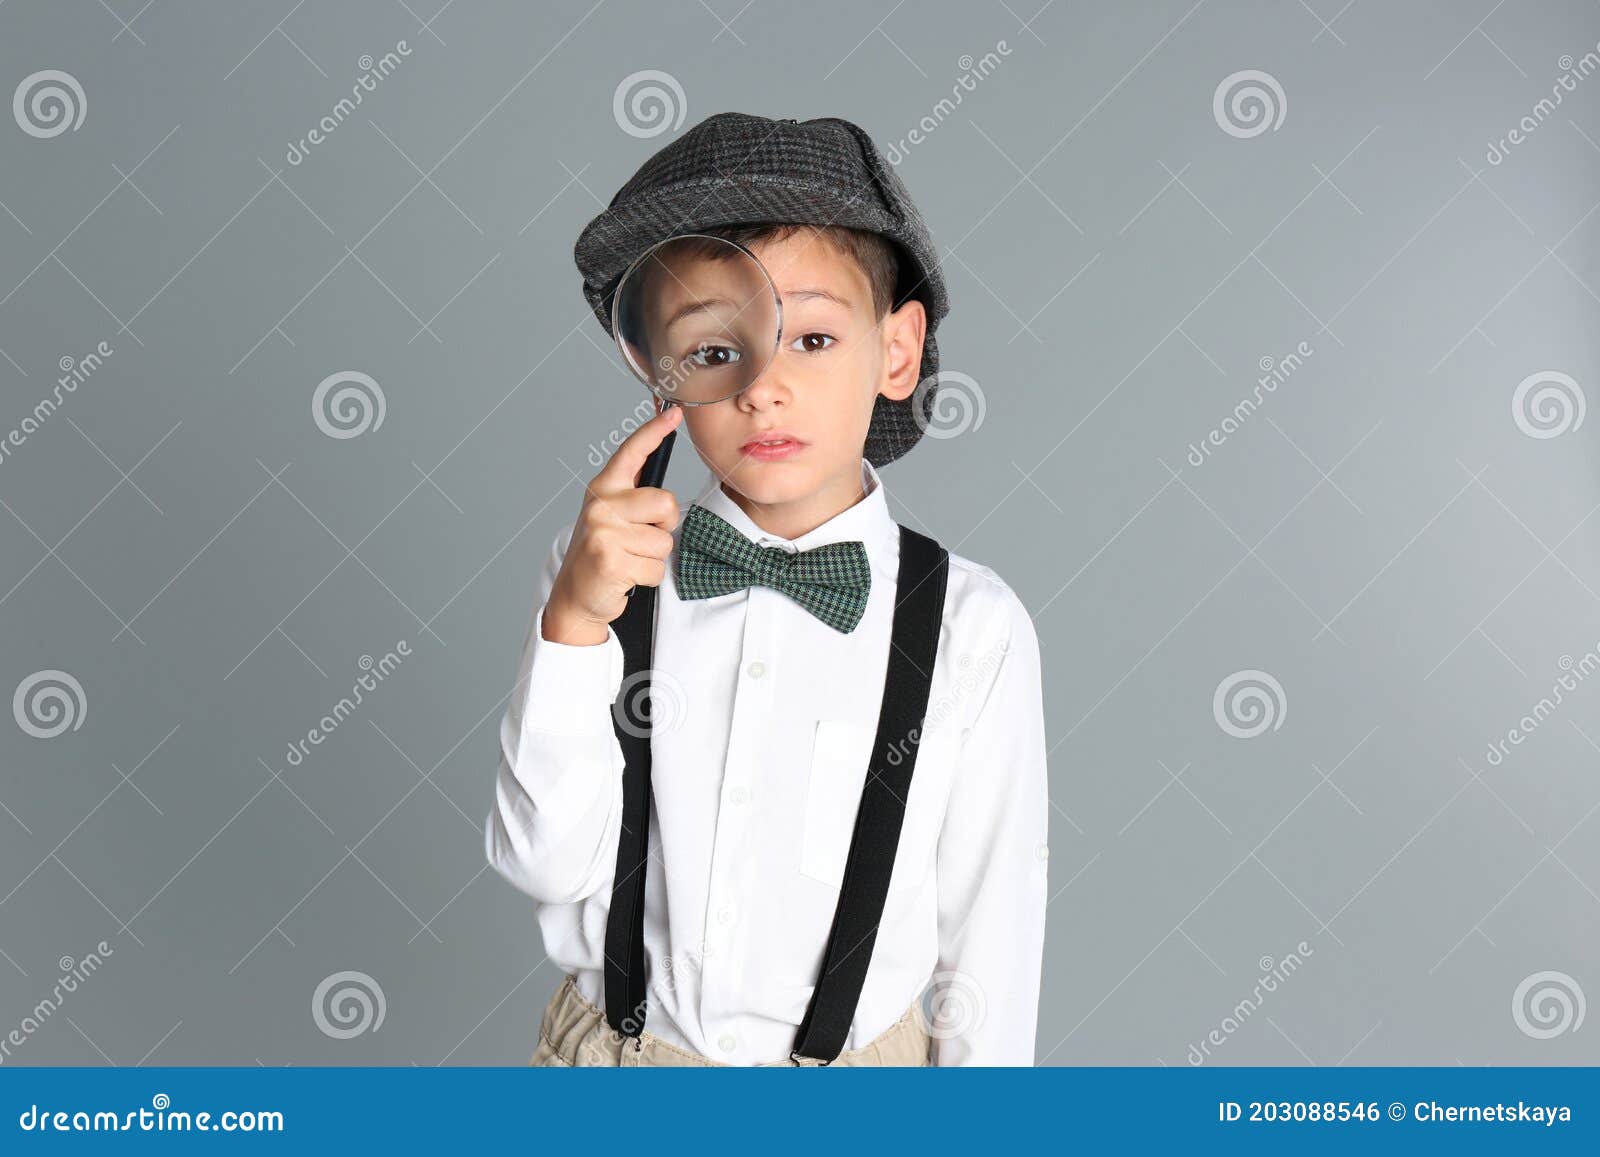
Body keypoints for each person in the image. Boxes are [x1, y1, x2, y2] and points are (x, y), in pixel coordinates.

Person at [485, 112, 1048, 1066]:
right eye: (714, 348)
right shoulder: (606, 578)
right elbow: (542, 862)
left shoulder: (970, 625)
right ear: (662, 372)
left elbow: (992, 937)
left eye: (816, 338)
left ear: (897, 352)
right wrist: (574, 624)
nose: (764, 386)